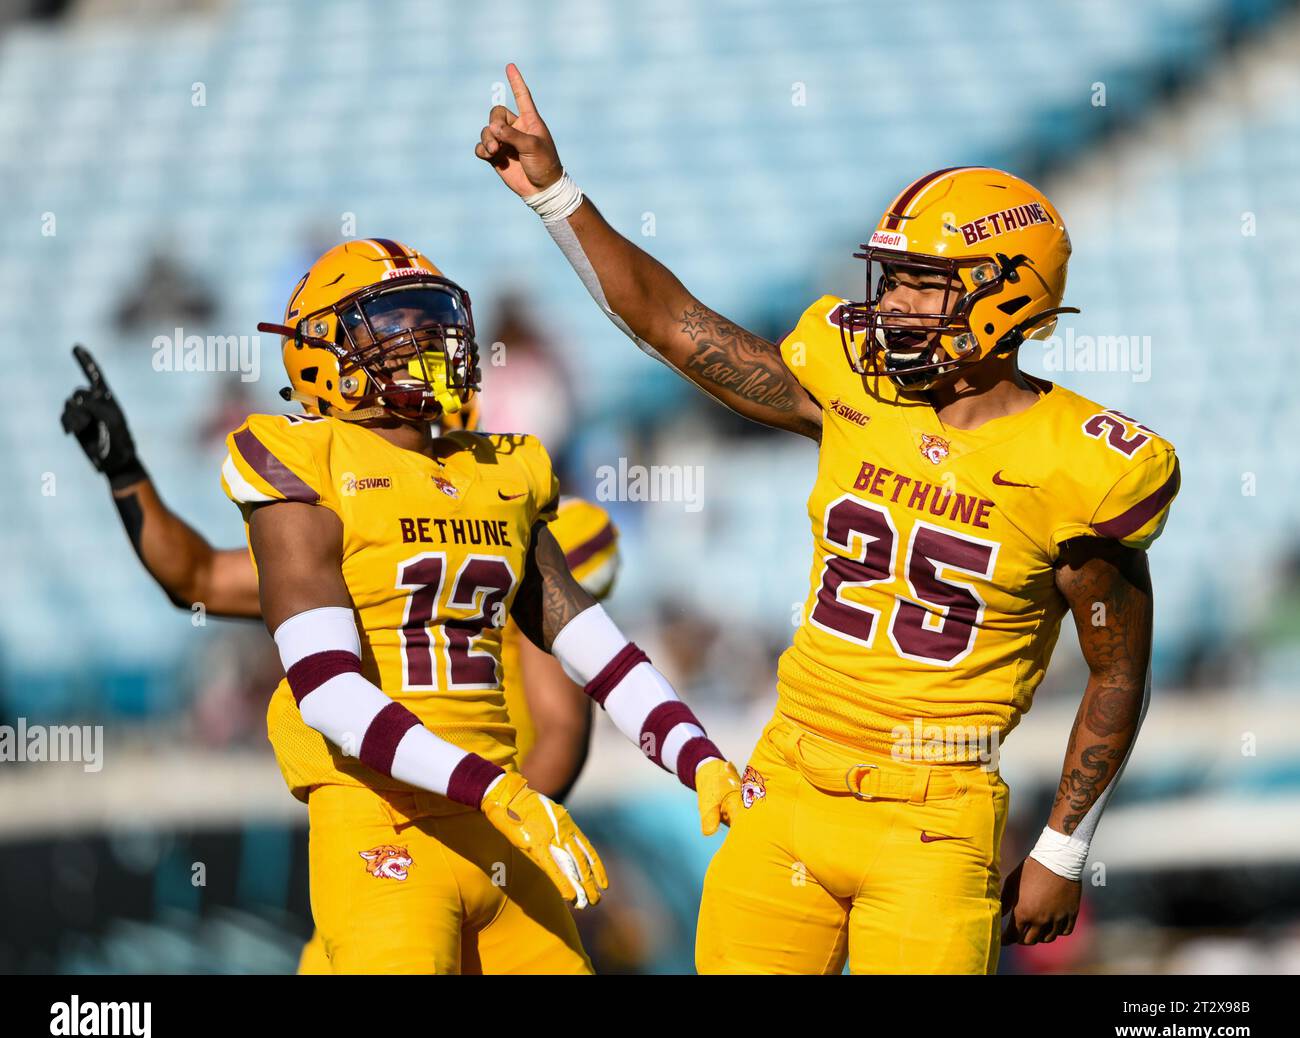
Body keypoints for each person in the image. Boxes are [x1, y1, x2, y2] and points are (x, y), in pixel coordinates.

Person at [476, 67, 1179, 975]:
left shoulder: (1081, 465)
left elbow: (1119, 672)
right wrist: (555, 195)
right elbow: (671, 321)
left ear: (1008, 296)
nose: (890, 305)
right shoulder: (857, 387)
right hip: (789, 781)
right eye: (892, 280)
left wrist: (1061, 848)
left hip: (938, 806)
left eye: (924, 286)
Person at [68, 237, 742, 973]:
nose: (434, 338)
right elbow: (323, 687)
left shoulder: (501, 470)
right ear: (323, 353)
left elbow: (593, 648)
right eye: (398, 323)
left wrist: (696, 753)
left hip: (500, 819)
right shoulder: (307, 464)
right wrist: (127, 471)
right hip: (384, 819)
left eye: (437, 317)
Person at [62, 349, 621, 973]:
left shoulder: (517, 526)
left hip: (483, 835)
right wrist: (125, 473)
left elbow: (562, 727)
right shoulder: (351, 535)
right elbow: (196, 578)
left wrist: (502, 817)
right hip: (381, 836)